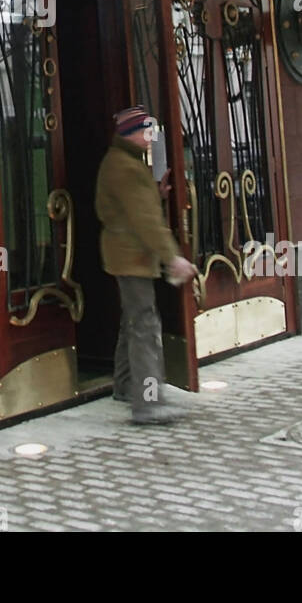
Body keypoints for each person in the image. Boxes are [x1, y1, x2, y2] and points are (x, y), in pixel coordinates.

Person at [95, 106, 196, 425]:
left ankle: (126, 386)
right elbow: (146, 221)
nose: (151, 137)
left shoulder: (121, 162)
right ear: (131, 133)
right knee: (145, 327)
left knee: (133, 321)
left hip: (126, 254)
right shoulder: (126, 167)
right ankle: (149, 402)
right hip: (133, 256)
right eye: (147, 130)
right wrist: (173, 257)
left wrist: (155, 194)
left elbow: (132, 208)